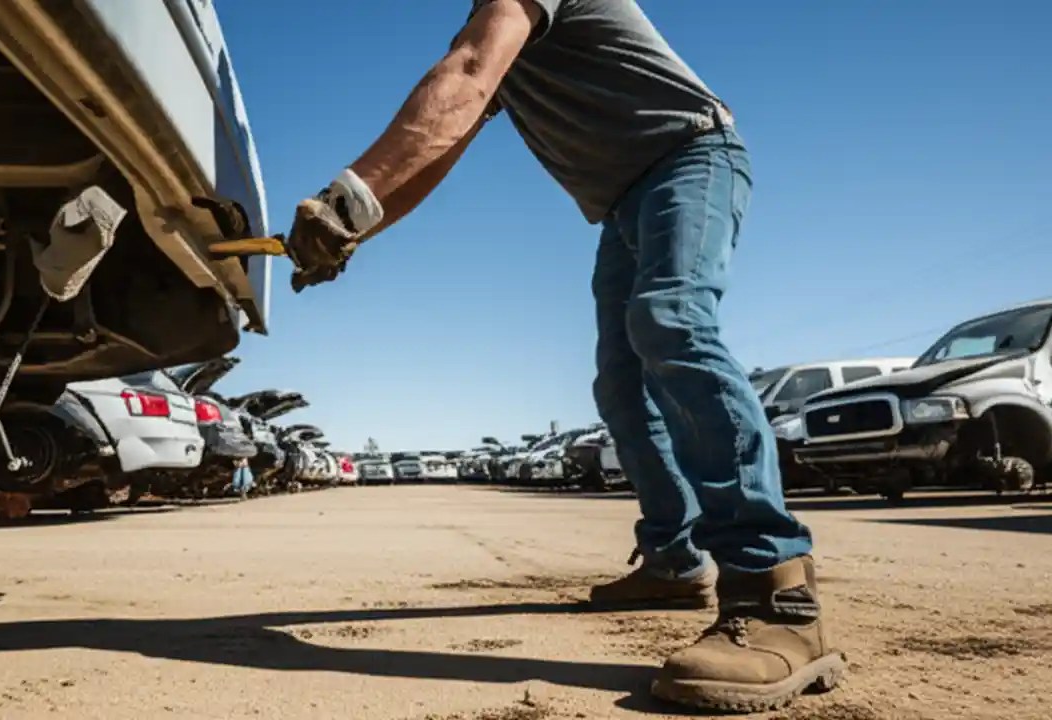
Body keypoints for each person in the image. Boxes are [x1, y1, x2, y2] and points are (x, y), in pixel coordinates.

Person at [279, 0, 844, 712]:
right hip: (624, 202)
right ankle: (673, 559)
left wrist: (349, 199)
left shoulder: (506, 15)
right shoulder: (490, 25)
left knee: (671, 317)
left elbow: (469, 76)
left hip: (691, 158)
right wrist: (360, 230)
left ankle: (778, 594)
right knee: (620, 384)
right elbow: (445, 140)